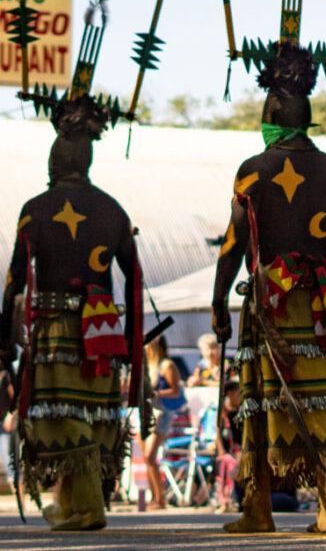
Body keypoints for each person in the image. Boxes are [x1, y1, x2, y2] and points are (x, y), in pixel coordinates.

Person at [211, 39, 326, 534]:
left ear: (271, 114)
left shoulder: (253, 170)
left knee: (266, 403)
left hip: (272, 303)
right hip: (325, 307)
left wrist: (219, 300)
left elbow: (233, 244)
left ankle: (259, 509)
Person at [0, 90, 147, 531]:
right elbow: (136, 283)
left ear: (56, 158)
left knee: (64, 416)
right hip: (101, 329)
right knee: (88, 412)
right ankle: (68, 505)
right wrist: (132, 344)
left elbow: (14, 283)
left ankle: (88, 509)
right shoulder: (113, 211)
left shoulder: (36, 210)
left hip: (56, 331)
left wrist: (4, 342)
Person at [142, 337, 187, 510]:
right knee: (147, 458)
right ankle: (155, 497)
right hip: (148, 411)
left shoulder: (167, 365)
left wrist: (155, 393)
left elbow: (176, 391)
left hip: (161, 412)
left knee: (150, 456)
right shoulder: (149, 366)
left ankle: (160, 499)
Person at [214, 381, 243, 513]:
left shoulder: (243, 409)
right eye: (239, 393)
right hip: (228, 450)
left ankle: (239, 498)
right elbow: (218, 433)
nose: (241, 396)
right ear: (230, 394)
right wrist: (221, 451)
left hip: (241, 449)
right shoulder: (223, 412)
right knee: (227, 463)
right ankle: (226, 500)